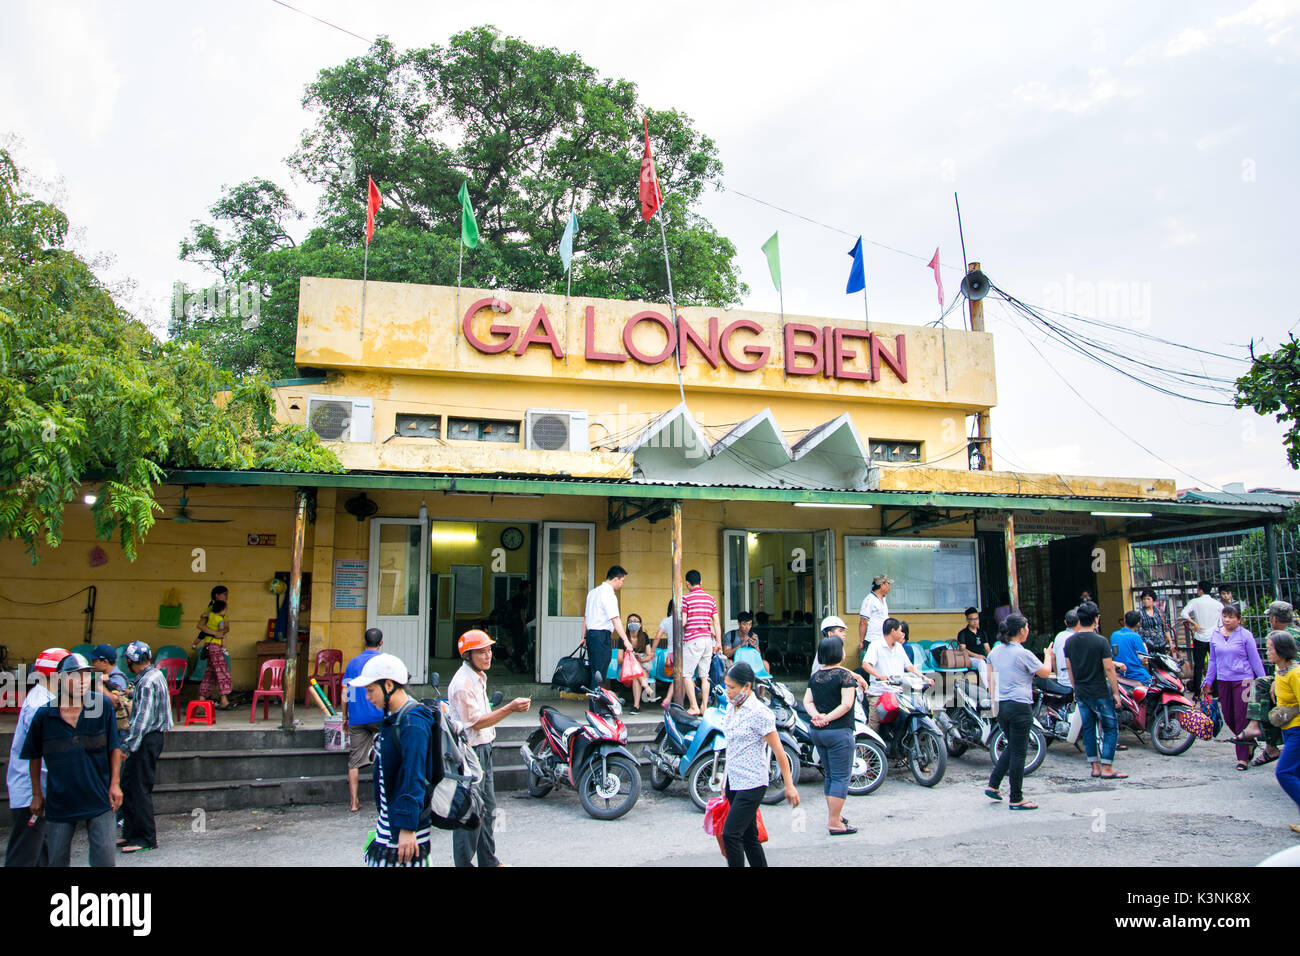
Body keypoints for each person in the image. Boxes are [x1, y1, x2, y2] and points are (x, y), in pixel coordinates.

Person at [21, 653, 123, 867]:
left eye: (86, 676)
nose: (81, 682)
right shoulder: (44, 715)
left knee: (104, 861)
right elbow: (34, 755)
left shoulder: (102, 706)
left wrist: (115, 784)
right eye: (74, 677)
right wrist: (37, 793)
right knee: (57, 861)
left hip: (99, 797)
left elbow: (115, 747)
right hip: (60, 801)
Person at [446, 629, 531, 868]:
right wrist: (510, 709)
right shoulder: (463, 683)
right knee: (469, 811)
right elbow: (477, 722)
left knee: (488, 809)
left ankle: (488, 861)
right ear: (467, 655)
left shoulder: (477, 677)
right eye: (481, 652)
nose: (488, 656)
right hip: (469, 753)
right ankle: (463, 863)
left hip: (484, 748)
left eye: (489, 650)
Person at [347, 653, 433, 866]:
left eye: (370, 690)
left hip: (403, 832)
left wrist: (407, 828)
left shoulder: (413, 721)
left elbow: (415, 776)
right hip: (390, 824)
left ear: (388, 685)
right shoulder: (393, 718)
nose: (368, 697)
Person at [719, 662, 799, 867]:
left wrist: (789, 785)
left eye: (732, 687)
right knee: (748, 837)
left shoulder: (760, 713)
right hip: (733, 780)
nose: (728, 691)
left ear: (747, 687)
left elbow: (779, 753)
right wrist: (724, 779)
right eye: (726, 686)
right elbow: (731, 746)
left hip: (752, 782)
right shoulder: (731, 708)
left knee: (731, 835)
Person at [5, 647, 67, 867]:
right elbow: (38, 754)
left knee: (42, 855)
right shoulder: (40, 704)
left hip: (37, 789)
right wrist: (39, 793)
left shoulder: (45, 698)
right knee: (24, 855)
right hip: (33, 792)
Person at [985, 614, 1054, 810]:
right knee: (1018, 753)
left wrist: (992, 705)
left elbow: (991, 681)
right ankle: (1016, 798)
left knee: (1012, 746)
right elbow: (1045, 673)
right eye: (1027, 627)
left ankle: (993, 784)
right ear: (1022, 631)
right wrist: (1048, 656)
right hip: (1019, 705)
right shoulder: (1023, 653)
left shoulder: (995, 652)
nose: (1028, 630)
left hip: (1001, 705)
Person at [117, 640, 173, 854]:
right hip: (149, 738)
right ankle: (131, 833)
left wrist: (127, 747)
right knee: (129, 785)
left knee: (139, 789)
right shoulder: (154, 675)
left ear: (131, 662)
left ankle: (145, 838)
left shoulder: (147, 682)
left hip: (146, 739)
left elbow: (141, 720)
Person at [803, 637, 859, 835]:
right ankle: (835, 821)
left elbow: (807, 701)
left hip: (818, 732)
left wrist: (816, 716)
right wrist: (828, 718)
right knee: (841, 778)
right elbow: (846, 705)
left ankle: (835, 815)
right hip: (839, 732)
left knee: (830, 776)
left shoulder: (816, 676)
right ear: (839, 653)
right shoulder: (845, 676)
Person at [1064, 602, 1126, 780]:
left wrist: (1076, 688)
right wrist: (1116, 693)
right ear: (1095, 619)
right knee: (1110, 727)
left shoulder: (1070, 642)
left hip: (1082, 691)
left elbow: (1070, 669)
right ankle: (1107, 766)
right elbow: (1109, 669)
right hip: (1100, 691)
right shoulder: (1101, 641)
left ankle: (1095, 767)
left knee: (1088, 729)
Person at [1202, 603, 1265, 771]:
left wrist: (1264, 679)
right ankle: (1248, 741)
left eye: (1231, 617)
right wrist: (1207, 681)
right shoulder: (1215, 635)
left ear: (1239, 620)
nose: (1227, 620)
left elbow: (1255, 659)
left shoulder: (1245, 636)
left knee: (1242, 717)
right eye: (1224, 616)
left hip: (1244, 681)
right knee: (1229, 716)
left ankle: (1242, 758)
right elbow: (1213, 660)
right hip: (1223, 680)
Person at [1238, 601, 1300, 766]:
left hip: (1293, 678)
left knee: (1260, 685)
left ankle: (1259, 732)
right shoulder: (1294, 632)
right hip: (1287, 678)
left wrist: (1277, 680)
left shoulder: (1282, 637)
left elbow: (1293, 663)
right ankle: (1269, 744)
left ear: (1274, 619)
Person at [858, 618, 932, 733]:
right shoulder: (876, 645)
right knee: (874, 727)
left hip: (898, 694)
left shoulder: (899, 647)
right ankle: (867, 750)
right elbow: (866, 665)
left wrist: (925, 678)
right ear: (893, 631)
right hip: (879, 693)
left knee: (907, 720)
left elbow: (909, 667)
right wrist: (880, 676)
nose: (902, 634)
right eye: (900, 631)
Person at [342, 627, 385, 813]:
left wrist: (346, 716)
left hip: (357, 717)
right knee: (386, 756)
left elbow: (346, 691)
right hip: (379, 716)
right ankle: (385, 800)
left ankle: (353, 803)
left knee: (354, 761)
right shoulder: (383, 663)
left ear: (363, 641)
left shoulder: (352, 663)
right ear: (381, 643)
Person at [1265, 631, 1300, 834]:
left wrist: (1288, 711)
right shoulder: (1281, 671)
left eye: (1271, 648)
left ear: (1282, 650)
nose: (1268, 651)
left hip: (1297, 729)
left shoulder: (1295, 674)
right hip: (1288, 730)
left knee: (1284, 773)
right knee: (1295, 773)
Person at [680, 569, 722, 716]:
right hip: (708, 641)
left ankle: (694, 706)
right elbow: (716, 622)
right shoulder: (711, 599)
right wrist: (718, 642)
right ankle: (704, 706)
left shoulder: (686, 599)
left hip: (693, 640)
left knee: (686, 674)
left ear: (687, 583)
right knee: (704, 676)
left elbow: (684, 622)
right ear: (701, 582)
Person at [583, 565, 630, 692]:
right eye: (622, 581)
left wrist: (584, 637)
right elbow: (615, 619)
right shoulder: (608, 594)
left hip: (591, 635)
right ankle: (597, 709)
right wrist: (625, 640)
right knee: (600, 673)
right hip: (601, 636)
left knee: (595, 671)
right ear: (616, 579)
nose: (622, 584)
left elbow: (586, 617)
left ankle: (596, 706)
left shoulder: (592, 593)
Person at [1179, 580, 1223, 698]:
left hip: (1200, 638)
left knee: (1198, 665)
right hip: (1214, 638)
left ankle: (1197, 693)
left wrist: (1194, 624)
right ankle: (1217, 692)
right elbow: (1221, 623)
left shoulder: (1195, 602)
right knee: (1214, 664)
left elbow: (1184, 613)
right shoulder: (1218, 604)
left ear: (1201, 590)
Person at [195, 593, 234, 711]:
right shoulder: (210, 610)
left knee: (210, 673)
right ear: (217, 596)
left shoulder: (217, 614)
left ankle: (202, 700)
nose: (227, 597)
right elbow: (200, 625)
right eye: (225, 595)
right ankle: (223, 700)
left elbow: (226, 628)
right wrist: (215, 633)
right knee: (221, 671)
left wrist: (221, 632)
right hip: (214, 645)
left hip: (211, 644)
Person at [617, 613, 658, 711]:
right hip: (627, 668)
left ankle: (636, 706)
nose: (633, 623)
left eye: (635, 621)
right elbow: (619, 660)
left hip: (643, 665)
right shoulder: (623, 639)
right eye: (630, 621)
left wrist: (640, 659)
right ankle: (646, 688)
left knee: (636, 676)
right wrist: (630, 659)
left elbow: (649, 656)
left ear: (640, 624)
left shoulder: (644, 636)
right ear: (627, 624)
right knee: (636, 673)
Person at [89, 643, 131, 735]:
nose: (92, 664)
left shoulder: (117, 678)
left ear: (105, 662)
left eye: (94, 661)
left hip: (119, 730)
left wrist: (100, 684)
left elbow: (115, 702)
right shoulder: (104, 677)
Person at [1110, 610, 1152, 686]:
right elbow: (1144, 659)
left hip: (1121, 675)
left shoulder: (1114, 635)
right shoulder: (1136, 637)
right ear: (1138, 624)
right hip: (1138, 676)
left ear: (1124, 620)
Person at [955, 606, 991, 687]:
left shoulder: (982, 632)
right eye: (972, 619)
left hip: (982, 657)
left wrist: (991, 657)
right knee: (981, 663)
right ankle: (988, 689)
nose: (975, 622)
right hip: (969, 659)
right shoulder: (963, 633)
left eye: (976, 619)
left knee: (993, 663)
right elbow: (963, 649)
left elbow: (987, 648)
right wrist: (977, 656)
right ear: (967, 620)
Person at [857, 574, 892, 653]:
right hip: (873, 639)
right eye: (888, 584)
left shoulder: (883, 599)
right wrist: (862, 641)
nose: (889, 587)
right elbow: (863, 622)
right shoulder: (870, 600)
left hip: (884, 639)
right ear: (882, 585)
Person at [1136, 589, 1175, 655]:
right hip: (1148, 645)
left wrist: (1170, 642)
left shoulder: (1160, 612)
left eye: (1148, 599)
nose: (1146, 601)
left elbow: (1165, 628)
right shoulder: (1140, 614)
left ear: (1153, 600)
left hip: (1161, 643)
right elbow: (1138, 631)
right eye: (1144, 599)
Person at [1051, 609, 1080, 689]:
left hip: (1062, 682)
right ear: (1079, 622)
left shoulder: (1059, 636)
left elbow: (1053, 658)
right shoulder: (1079, 638)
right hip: (1076, 683)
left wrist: (1058, 676)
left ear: (1065, 622)